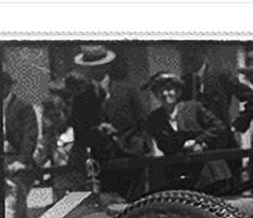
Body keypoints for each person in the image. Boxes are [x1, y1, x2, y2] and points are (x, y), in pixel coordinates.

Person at [71, 45, 150, 197]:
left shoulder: (127, 91)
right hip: (102, 164)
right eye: (91, 68)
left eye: (100, 67)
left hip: (131, 161)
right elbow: (79, 135)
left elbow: (143, 123)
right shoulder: (81, 100)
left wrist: (138, 145)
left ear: (107, 66)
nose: (96, 71)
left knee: (134, 207)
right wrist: (97, 131)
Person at [144, 71, 232, 189]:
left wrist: (199, 141)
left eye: (169, 89)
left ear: (178, 92)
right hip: (181, 175)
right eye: (160, 91)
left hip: (209, 172)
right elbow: (163, 145)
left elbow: (219, 127)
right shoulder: (154, 119)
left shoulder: (194, 108)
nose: (165, 94)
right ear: (155, 95)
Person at [1, 70, 39, 218]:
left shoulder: (23, 108)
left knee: (12, 215)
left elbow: (29, 136)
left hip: (15, 164)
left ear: (8, 86)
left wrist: (22, 161)